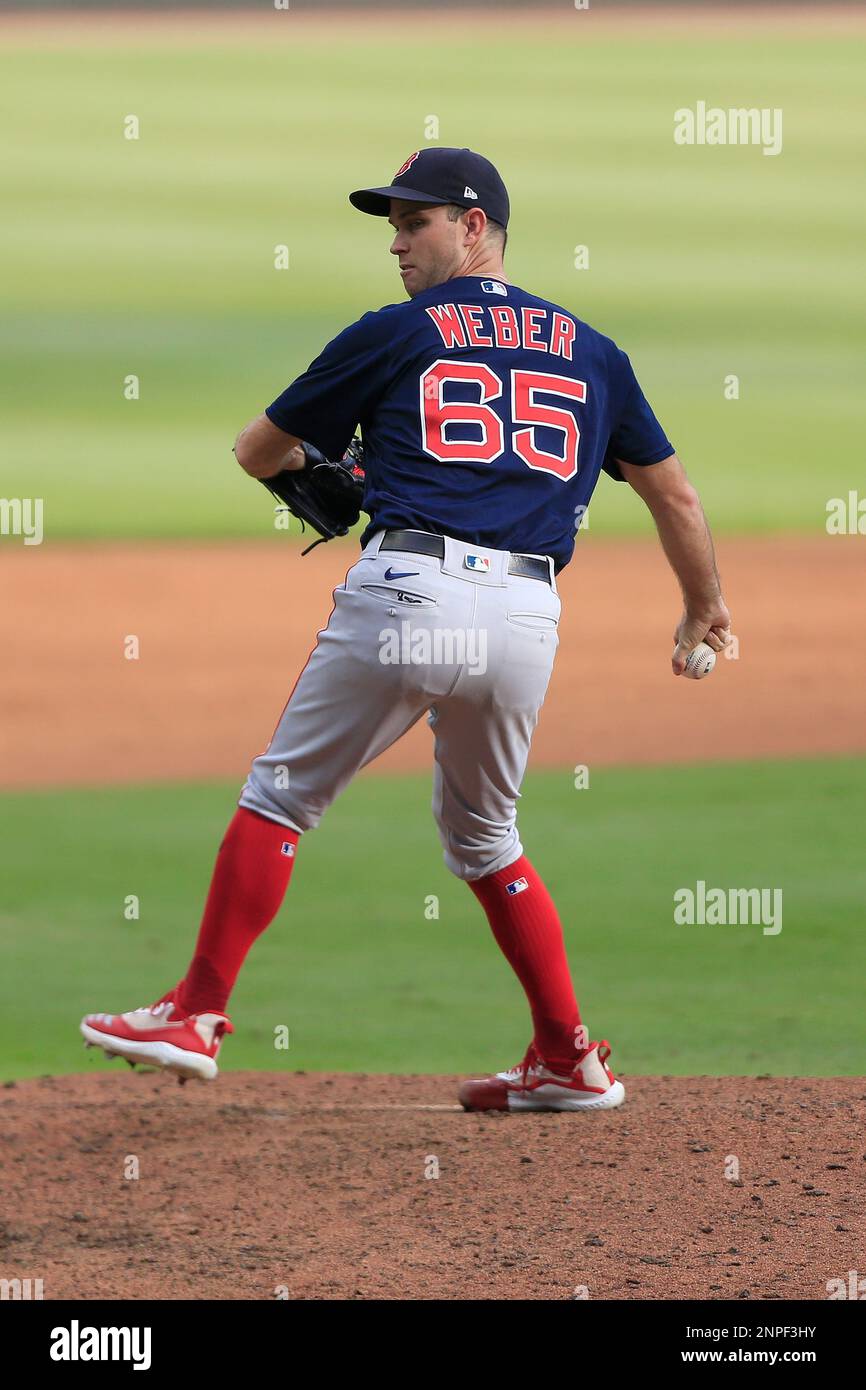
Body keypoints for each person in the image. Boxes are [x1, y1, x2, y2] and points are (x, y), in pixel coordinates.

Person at [81, 147, 730, 1113]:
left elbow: (257, 449)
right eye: (392, 224)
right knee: (487, 835)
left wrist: (331, 478)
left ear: (475, 229)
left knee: (282, 795)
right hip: (526, 617)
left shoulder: (396, 332)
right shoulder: (594, 351)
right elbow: (672, 493)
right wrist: (703, 609)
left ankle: (195, 1014)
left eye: (414, 222)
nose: (397, 242)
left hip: (408, 594)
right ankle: (568, 1058)